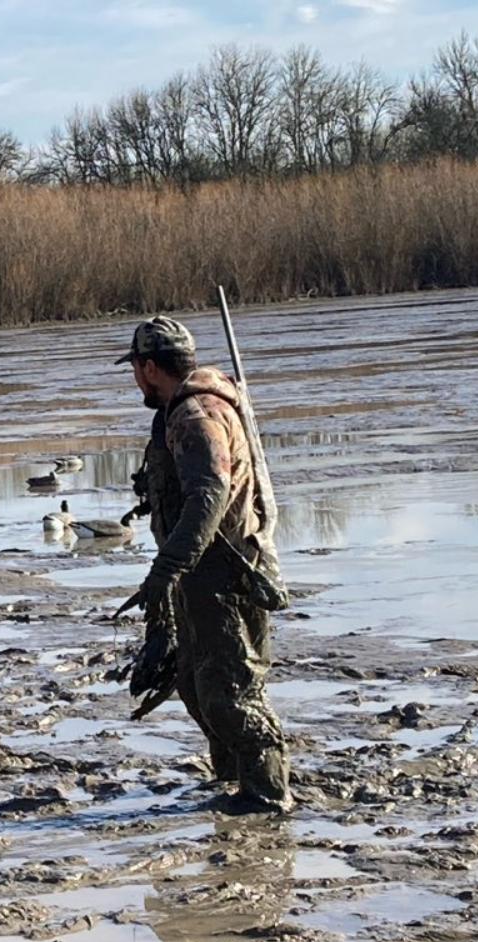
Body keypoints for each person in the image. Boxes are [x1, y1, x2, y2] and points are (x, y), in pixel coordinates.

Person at [121, 316, 292, 813]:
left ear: (150, 367)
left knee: (230, 689)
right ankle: (233, 778)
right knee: (197, 682)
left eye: (135, 367)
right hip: (201, 569)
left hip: (225, 569)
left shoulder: (195, 416)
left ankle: (267, 793)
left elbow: (209, 496)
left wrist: (166, 569)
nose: (135, 378)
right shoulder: (180, 411)